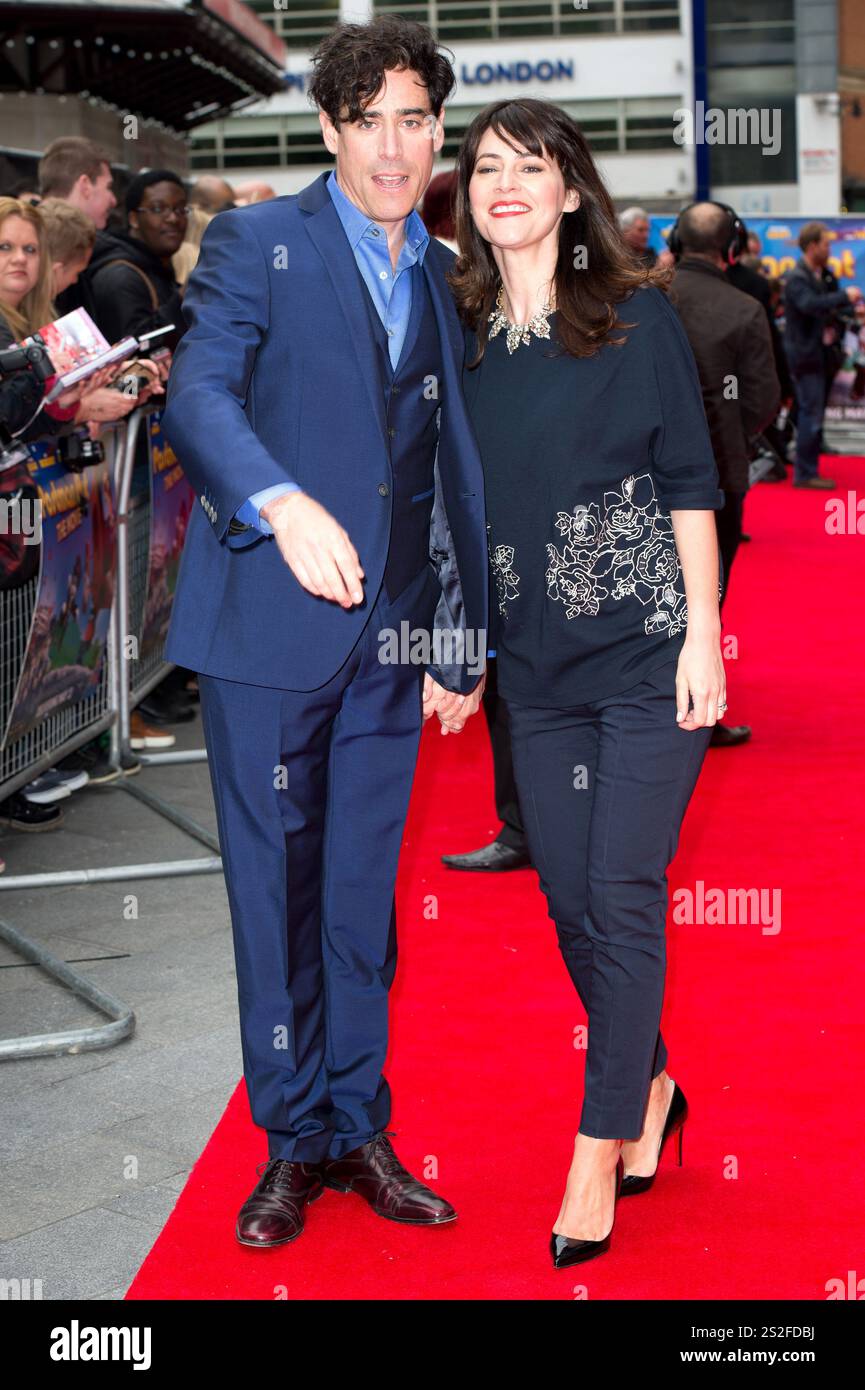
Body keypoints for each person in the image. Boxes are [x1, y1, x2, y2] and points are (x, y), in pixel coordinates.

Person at [161, 15, 487, 1250]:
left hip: (393, 648)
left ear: (435, 130)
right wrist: (278, 497)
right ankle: (289, 1140)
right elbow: (198, 392)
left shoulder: (442, 268)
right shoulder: (258, 240)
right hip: (268, 634)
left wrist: (461, 637)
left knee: (359, 897)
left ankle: (357, 1125)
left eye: (416, 119)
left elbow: (447, 467)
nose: (394, 147)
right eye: (371, 121)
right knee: (274, 895)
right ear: (330, 127)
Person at [450, 97, 725, 1267]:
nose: (504, 182)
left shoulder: (633, 318)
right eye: (484, 167)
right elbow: (449, 506)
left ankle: (598, 1139)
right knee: (567, 901)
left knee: (620, 893)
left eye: (532, 165)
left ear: (572, 193)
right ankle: (653, 1079)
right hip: (537, 669)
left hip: (646, 651)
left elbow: (688, 480)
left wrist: (705, 634)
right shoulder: (454, 333)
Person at [669, 202, 780, 748]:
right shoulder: (742, 308)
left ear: (672, 242)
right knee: (706, 596)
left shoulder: (640, 294)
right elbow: (762, 400)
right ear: (731, 249)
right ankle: (696, 703)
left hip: (631, 473)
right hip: (718, 474)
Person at [784, 222, 861, 490]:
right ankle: (805, 473)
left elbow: (827, 309)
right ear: (812, 245)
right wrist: (843, 296)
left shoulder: (823, 276)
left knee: (814, 413)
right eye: (826, 244)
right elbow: (809, 306)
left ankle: (809, 466)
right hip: (805, 356)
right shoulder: (798, 277)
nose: (830, 249)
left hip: (822, 354)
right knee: (811, 413)